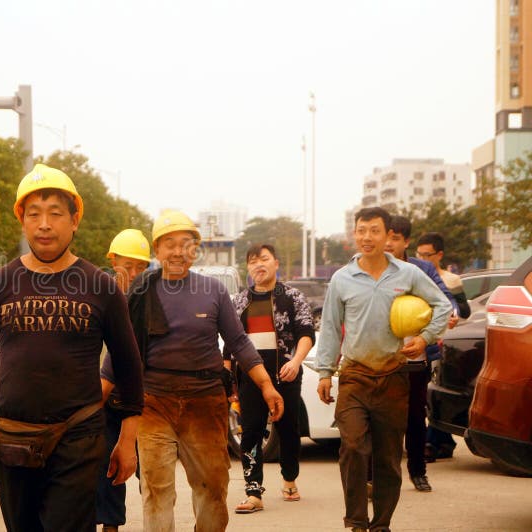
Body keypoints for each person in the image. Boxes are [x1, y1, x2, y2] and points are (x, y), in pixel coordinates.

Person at [0, 164, 144, 532]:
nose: (44, 224)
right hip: (13, 442)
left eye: (55, 214)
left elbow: (129, 369)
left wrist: (127, 439)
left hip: (78, 440)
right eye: (34, 214)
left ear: (74, 220)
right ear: (22, 220)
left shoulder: (101, 287)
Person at [105, 209, 284, 532]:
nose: (177, 251)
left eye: (186, 244)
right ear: (157, 250)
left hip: (205, 403)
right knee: (156, 490)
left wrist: (266, 385)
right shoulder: (141, 293)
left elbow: (239, 342)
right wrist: (94, 399)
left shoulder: (212, 291)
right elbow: (120, 352)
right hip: (154, 402)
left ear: (195, 250)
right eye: (168, 244)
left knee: (212, 489)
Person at [316, 207, 450, 532]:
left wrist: (424, 338)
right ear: (354, 234)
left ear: (388, 235)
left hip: (394, 376)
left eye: (374, 231)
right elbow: (331, 327)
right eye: (361, 230)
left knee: (389, 458)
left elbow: (443, 305)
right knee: (352, 447)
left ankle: (381, 524)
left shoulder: (407, 274)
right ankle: (357, 522)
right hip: (354, 376)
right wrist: (324, 372)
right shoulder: (342, 279)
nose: (367, 237)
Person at [226, 243, 315, 513]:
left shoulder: (292, 297)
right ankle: (253, 491)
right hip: (251, 376)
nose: (258, 265)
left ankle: (289, 477)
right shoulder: (240, 301)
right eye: (253, 261)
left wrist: (296, 362)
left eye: (264, 259)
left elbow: (306, 333)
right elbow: (229, 345)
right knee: (250, 430)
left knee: (289, 428)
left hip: (285, 374)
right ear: (248, 268)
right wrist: (230, 381)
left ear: (276, 263)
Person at [384, 216, 459, 493]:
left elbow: (445, 299)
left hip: (416, 355)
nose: (389, 243)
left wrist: (451, 314)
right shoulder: (372, 268)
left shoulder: (421, 269)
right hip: (381, 356)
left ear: (406, 242)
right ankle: (379, 475)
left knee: (415, 417)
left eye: (395, 238)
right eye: (386, 236)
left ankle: (418, 471)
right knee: (382, 419)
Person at [96, 228, 151, 532]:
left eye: (140, 267)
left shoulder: (149, 301)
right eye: (127, 265)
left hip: (142, 401)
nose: (133, 273)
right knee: (107, 470)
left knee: (152, 474)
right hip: (106, 401)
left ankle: (156, 521)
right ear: (112, 260)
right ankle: (110, 527)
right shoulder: (99, 295)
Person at [416, 231, 471, 461]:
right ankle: (438, 440)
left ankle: (435, 440)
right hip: (423, 343)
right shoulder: (413, 275)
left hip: (445, 342)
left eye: (427, 255)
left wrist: (454, 315)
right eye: (420, 254)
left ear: (439, 255)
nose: (423, 258)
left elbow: (463, 309)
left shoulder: (452, 280)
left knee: (435, 392)